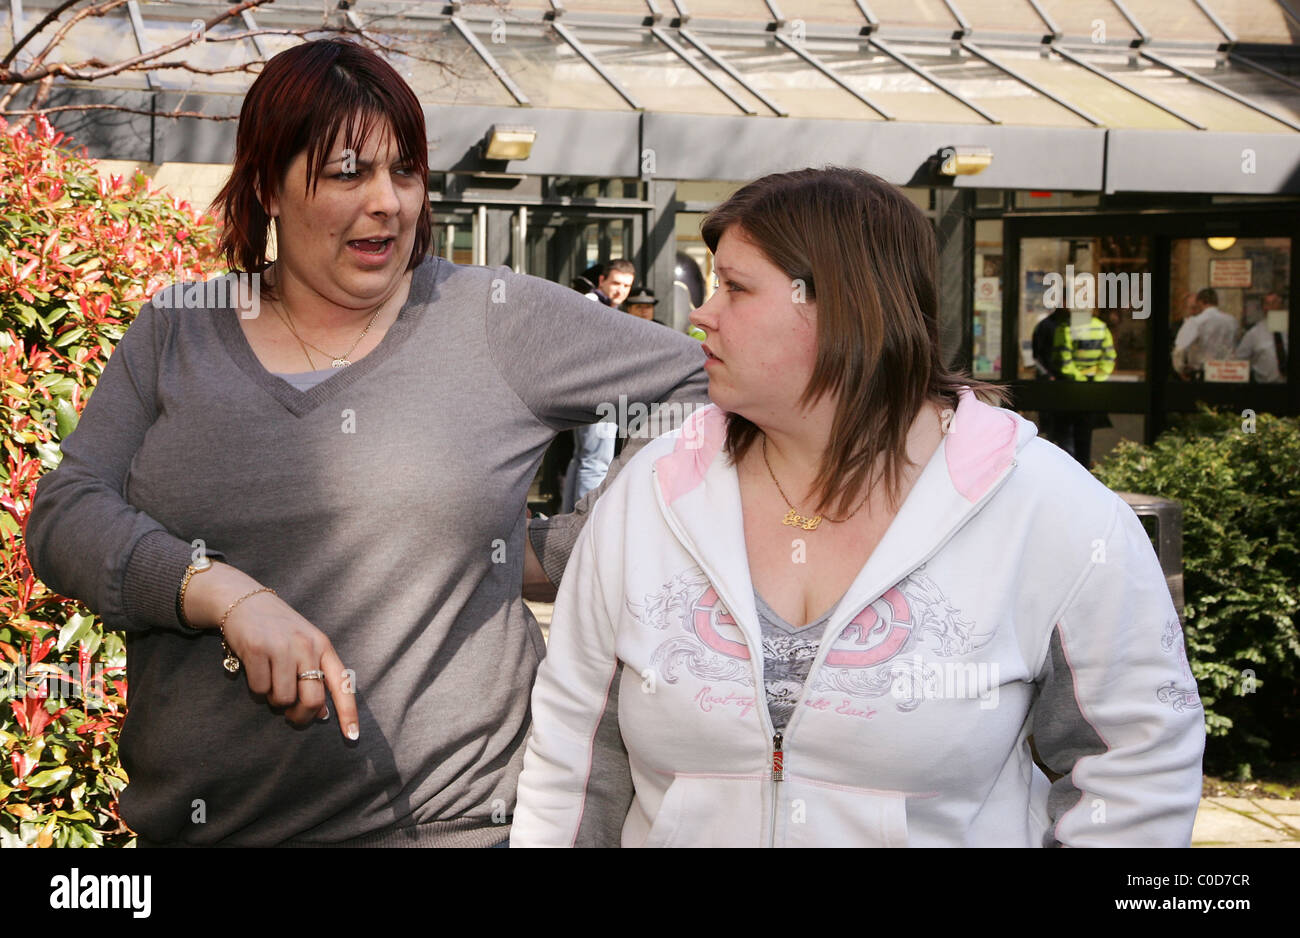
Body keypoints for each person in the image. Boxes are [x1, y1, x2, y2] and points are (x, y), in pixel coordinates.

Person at [24, 39, 707, 848]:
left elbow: (709, 386)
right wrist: (217, 592)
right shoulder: (179, 329)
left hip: (451, 827)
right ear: (267, 187)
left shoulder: (490, 316)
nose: (389, 202)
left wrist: (569, 551)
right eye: (349, 173)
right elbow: (65, 513)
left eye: (405, 172)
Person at [512, 167, 1204, 847]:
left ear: (842, 306)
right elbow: (575, 753)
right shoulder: (654, 491)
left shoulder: (1050, 510)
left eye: (736, 287)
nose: (701, 312)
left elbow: (1139, 770)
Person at [562, 259, 640, 511]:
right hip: (596, 392)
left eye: (627, 285)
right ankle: (583, 526)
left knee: (584, 458)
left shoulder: (602, 307)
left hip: (592, 391)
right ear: (602, 281)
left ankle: (569, 520)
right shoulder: (591, 305)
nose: (621, 290)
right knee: (596, 461)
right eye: (616, 283)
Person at [1052, 309, 1116, 468]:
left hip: (1069, 389)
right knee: (1085, 435)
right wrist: (1097, 378)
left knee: (1066, 437)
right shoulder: (1101, 327)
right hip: (1092, 388)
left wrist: (1077, 378)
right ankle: (1084, 470)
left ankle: (1070, 473)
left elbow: (1061, 360)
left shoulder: (1065, 328)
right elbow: (1109, 357)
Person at [1173, 288, 1237, 381]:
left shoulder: (1195, 321)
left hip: (1202, 374)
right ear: (1216, 302)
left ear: (1200, 302)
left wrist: (1181, 369)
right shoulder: (1232, 321)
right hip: (1226, 374)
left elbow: (1179, 350)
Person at [1234, 292, 1287, 383]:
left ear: (1282, 306)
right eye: (1267, 304)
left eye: (1274, 303)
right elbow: (1239, 360)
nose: (1270, 307)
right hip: (1265, 386)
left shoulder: (1289, 329)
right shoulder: (1254, 333)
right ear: (1263, 308)